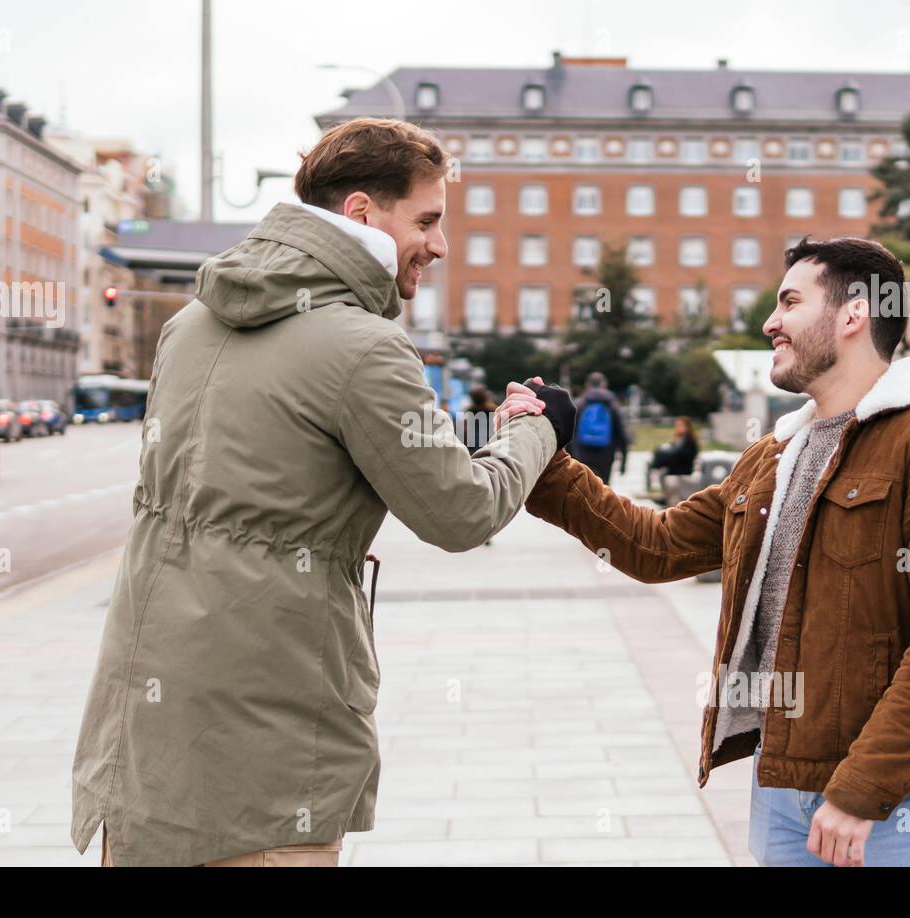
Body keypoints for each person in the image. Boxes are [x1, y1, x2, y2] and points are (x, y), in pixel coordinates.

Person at [71, 117, 562, 867]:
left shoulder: (190, 324)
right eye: (427, 221)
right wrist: (530, 427)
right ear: (363, 213)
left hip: (142, 729)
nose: (440, 245)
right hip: (268, 741)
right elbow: (461, 511)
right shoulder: (364, 347)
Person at [521, 236, 910, 867]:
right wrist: (549, 463)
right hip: (779, 788)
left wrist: (863, 790)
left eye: (790, 302)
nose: (769, 323)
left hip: (889, 810)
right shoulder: (777, 454)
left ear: (853, 314)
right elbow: (654, 546)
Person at [568, 371, 629, 485]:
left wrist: (571, 457)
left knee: (583, 489)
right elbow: (622, 435)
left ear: (587, 385)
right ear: (604, 385)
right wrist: (624, 462)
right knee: (603, 491)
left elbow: (569, 433)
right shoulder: (612, 405)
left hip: (582, 453)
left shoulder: (580, 404)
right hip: (606, 454)